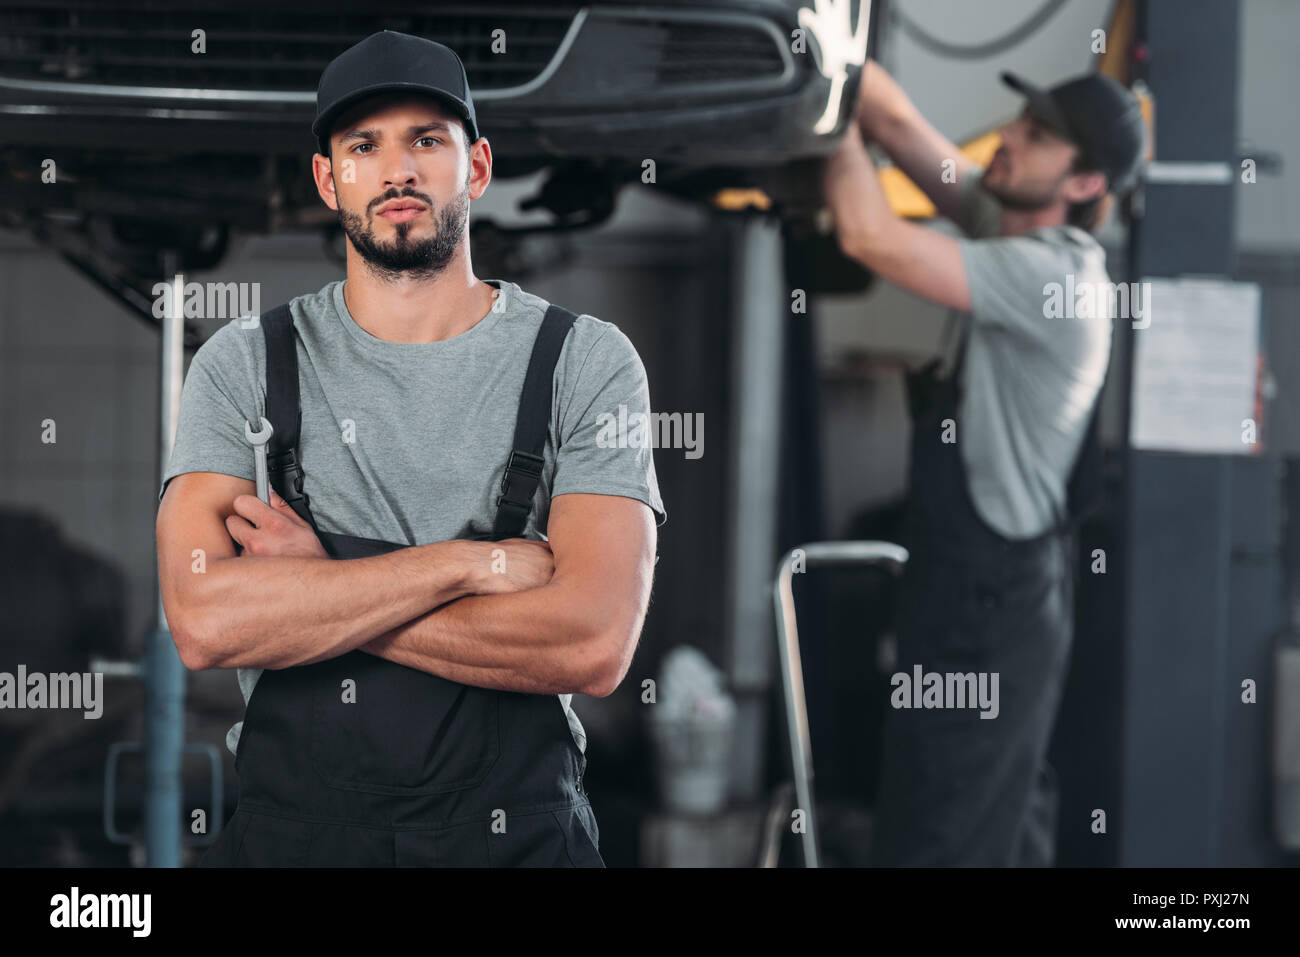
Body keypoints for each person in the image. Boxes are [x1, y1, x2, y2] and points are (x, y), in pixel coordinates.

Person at [155, 30, 666, 866]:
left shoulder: (585, 359)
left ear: (476, 167)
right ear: (329, 179)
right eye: (364, 146)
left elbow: (592, 642)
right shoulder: (247, 361)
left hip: (520, 841)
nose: (397, 170)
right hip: (297, 842)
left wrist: (315, 587)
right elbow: (205, 621)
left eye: (427, 140)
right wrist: (468, 565)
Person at [822, 61, 1145, 865]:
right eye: (1020, 123)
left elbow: (866, 234)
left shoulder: (1053, 278)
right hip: (981, 593)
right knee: (985, 818)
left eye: (1037, 139)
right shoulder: (1007, 222)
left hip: (991, 612)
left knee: (945, 830)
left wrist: (817, 118)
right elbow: (898, 127)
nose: (1007, 140)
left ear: (1085, 181)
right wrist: (833, 55)